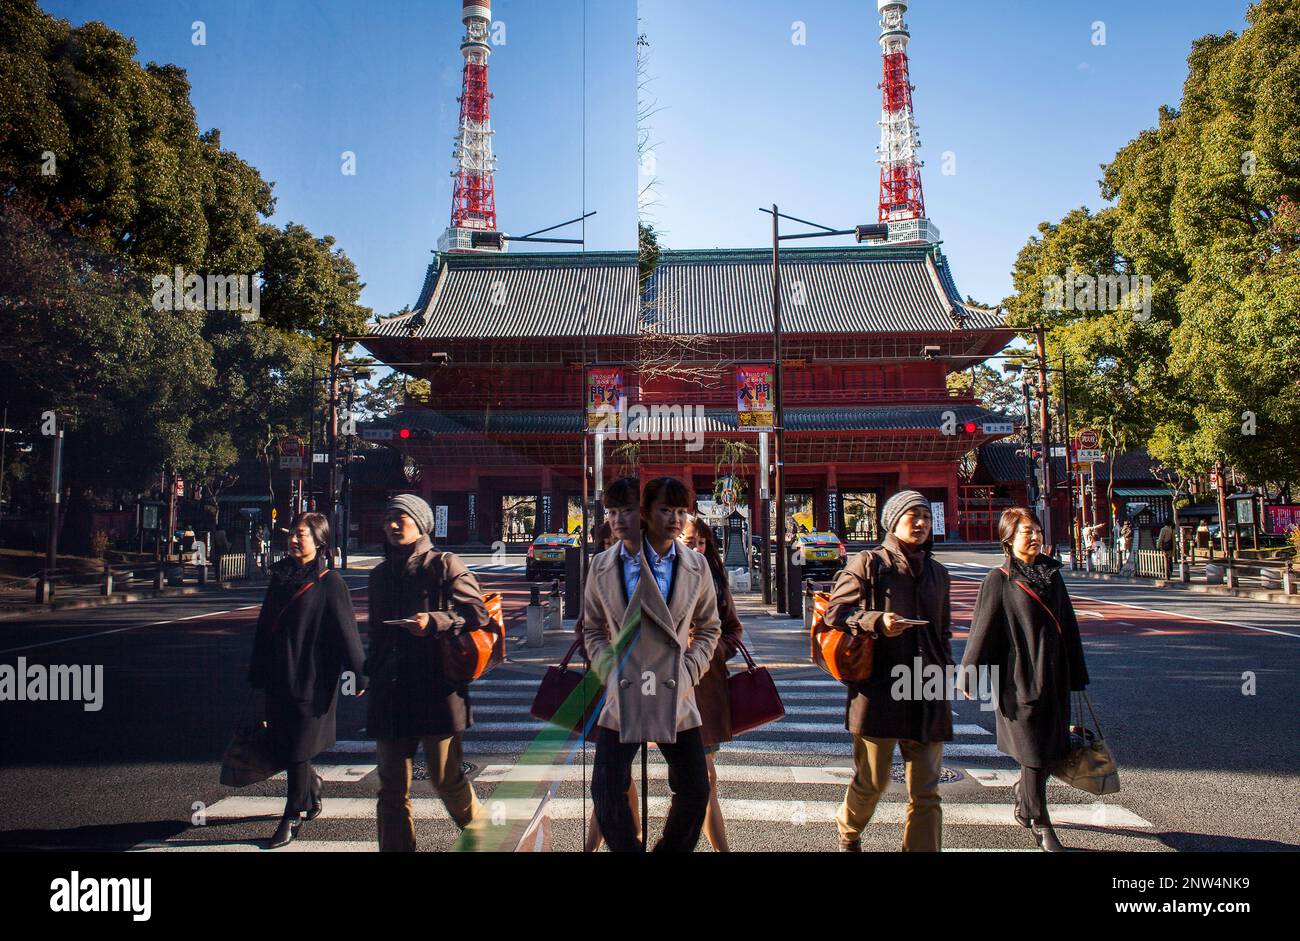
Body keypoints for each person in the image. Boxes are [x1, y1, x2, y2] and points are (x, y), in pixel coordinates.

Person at [582, 477, 721, 852]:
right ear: (647, 513)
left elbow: (710, 627)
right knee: (606, 786)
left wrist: (689, 671)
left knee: (695, 787)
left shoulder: (696, 565)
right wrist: (608, 670)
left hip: (673, 688)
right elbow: (592, 628)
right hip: (623, 688)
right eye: (665, 510)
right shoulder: (601, 566)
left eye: (681, 511)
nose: (675, 519)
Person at [823, 490, 953, 852]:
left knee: (927, 791)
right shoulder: (869, 563)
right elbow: (836, 613)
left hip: (927, 687)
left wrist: (947, 672)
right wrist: (875, 621)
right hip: (879, 687)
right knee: (873, 781)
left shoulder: (938, 573)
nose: (921, 523)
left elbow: (943, 631)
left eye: (925, 517)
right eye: (913, 516)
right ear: (892, 521)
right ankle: (848, 829)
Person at [365, 494, 493, 851]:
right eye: (388, 517)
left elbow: (478, 614)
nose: (392, 524)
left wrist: (435, 621)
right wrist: (366, 672)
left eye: (401, 517)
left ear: (421, 523)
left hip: (437, 688)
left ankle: (486, 840)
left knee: (446, 779)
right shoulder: (379, 575)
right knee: (390, 786)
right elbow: (376, 632)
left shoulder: (444, 564)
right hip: (390, 690)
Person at [960, 507, 1090, 852]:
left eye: (1036, 530)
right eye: (1025, 532)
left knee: (1053, 750)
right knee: (1033, 753)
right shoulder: (998, 579)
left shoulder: (1052, 573)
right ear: (1008, 539)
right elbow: (981, 629)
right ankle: (1039, 821)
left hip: (1055, 675)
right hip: (1019, 680)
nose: (1034, 537)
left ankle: (1023, 794)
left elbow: (1068, 625)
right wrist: (969, 673)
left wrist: (1077, 672)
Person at [248, 512, 367, 849]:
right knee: (285, 742)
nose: (295, 540)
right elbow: (264, 627)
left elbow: (347, 630)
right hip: (278, 673)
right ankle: (312, 788)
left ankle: (292, 814)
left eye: (302, 534)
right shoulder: (281, 577)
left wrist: (360, 672)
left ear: (320, 541)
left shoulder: (330, 582)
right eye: (293, 534)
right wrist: (257, 671)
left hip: (313, 678)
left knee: (299, 746)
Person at [574, 510, 641, 852]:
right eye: (606, 541)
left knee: (614, 776)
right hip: (607, 682)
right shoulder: (599, 572)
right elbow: (587, 626)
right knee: (609, 777)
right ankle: (616, 841)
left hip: (644, 685)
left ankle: (624, 839)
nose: (612, 545)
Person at [681, 515, 744, 852]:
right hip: (667, 689)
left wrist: (714, 650)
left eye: (702, 542)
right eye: (690, 542)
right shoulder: (660, 576)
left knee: (704, 779)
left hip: (705, 689)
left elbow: (733, 628)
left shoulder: (716, 577)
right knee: (697, 781)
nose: (697, 548)